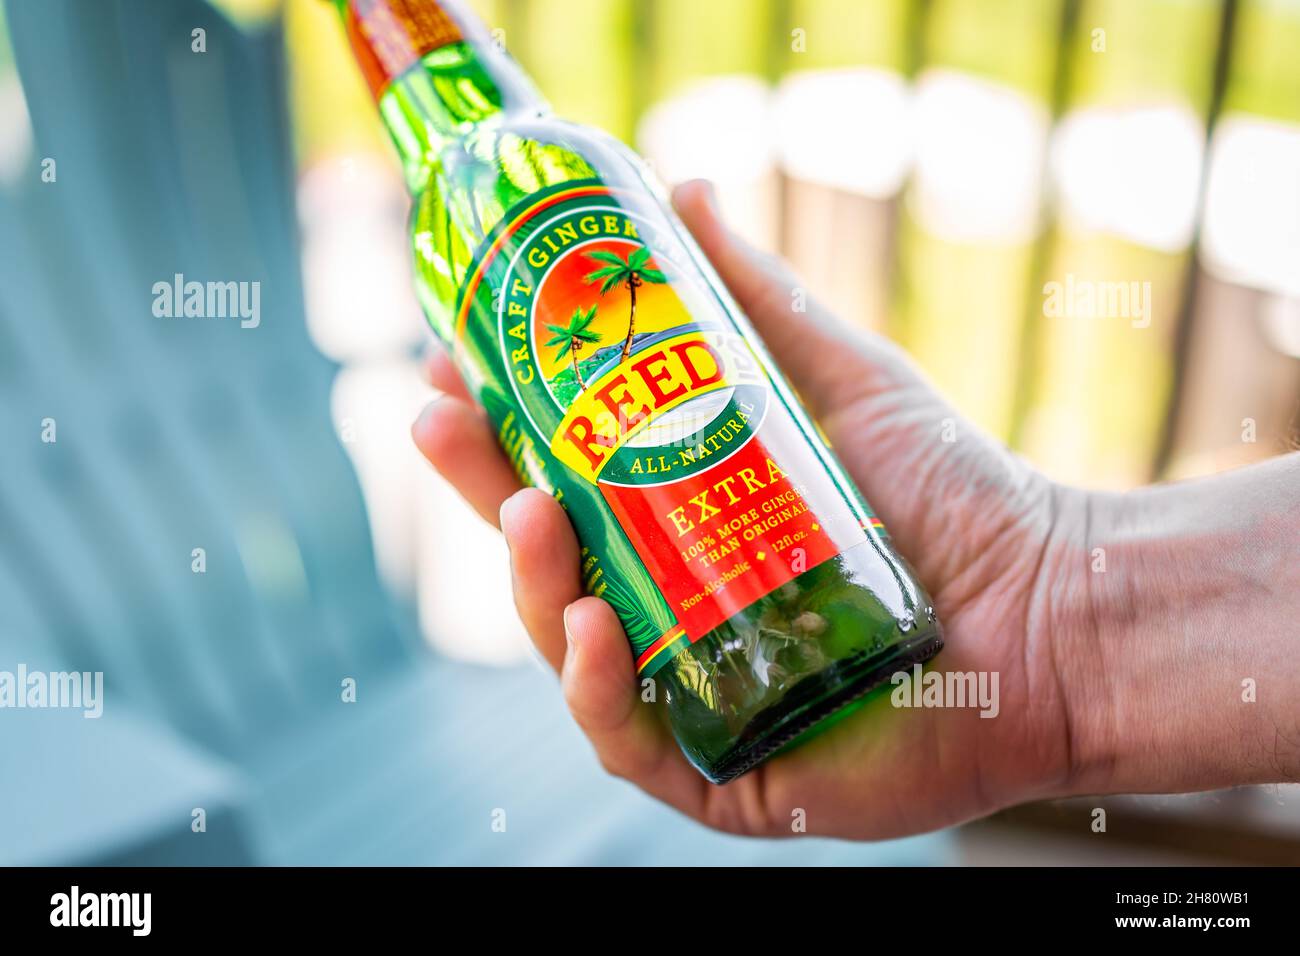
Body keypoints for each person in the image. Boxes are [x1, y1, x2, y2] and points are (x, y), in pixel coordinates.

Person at [412, 179, 1300, 840]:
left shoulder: (547, 161)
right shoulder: (452, 216)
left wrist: (1052, 604)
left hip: (838, 563)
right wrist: (1059, 627)